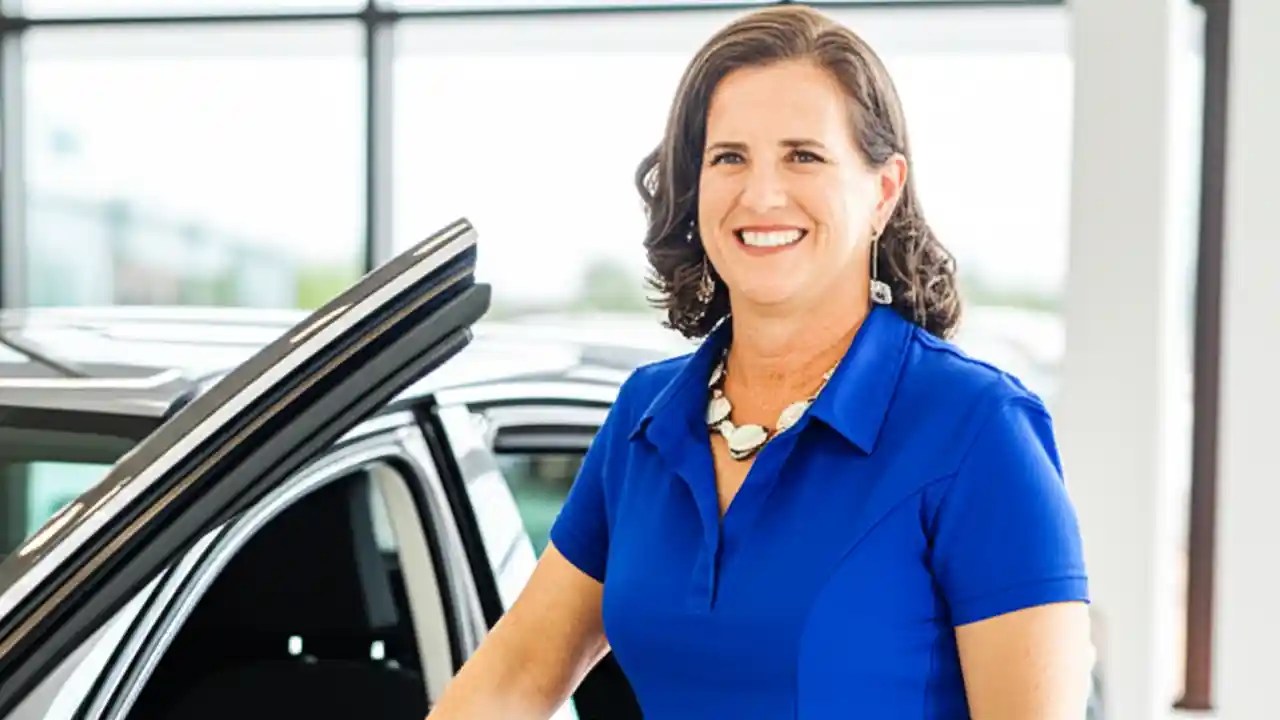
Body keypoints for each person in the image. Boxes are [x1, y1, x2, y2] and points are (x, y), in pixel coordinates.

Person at [427, 5, 1093, 718]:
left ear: (883, 191)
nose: (762, 194)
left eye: (803, 155)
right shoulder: (645, 421)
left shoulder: (976, 429)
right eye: (729, 158)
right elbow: (514, 679)